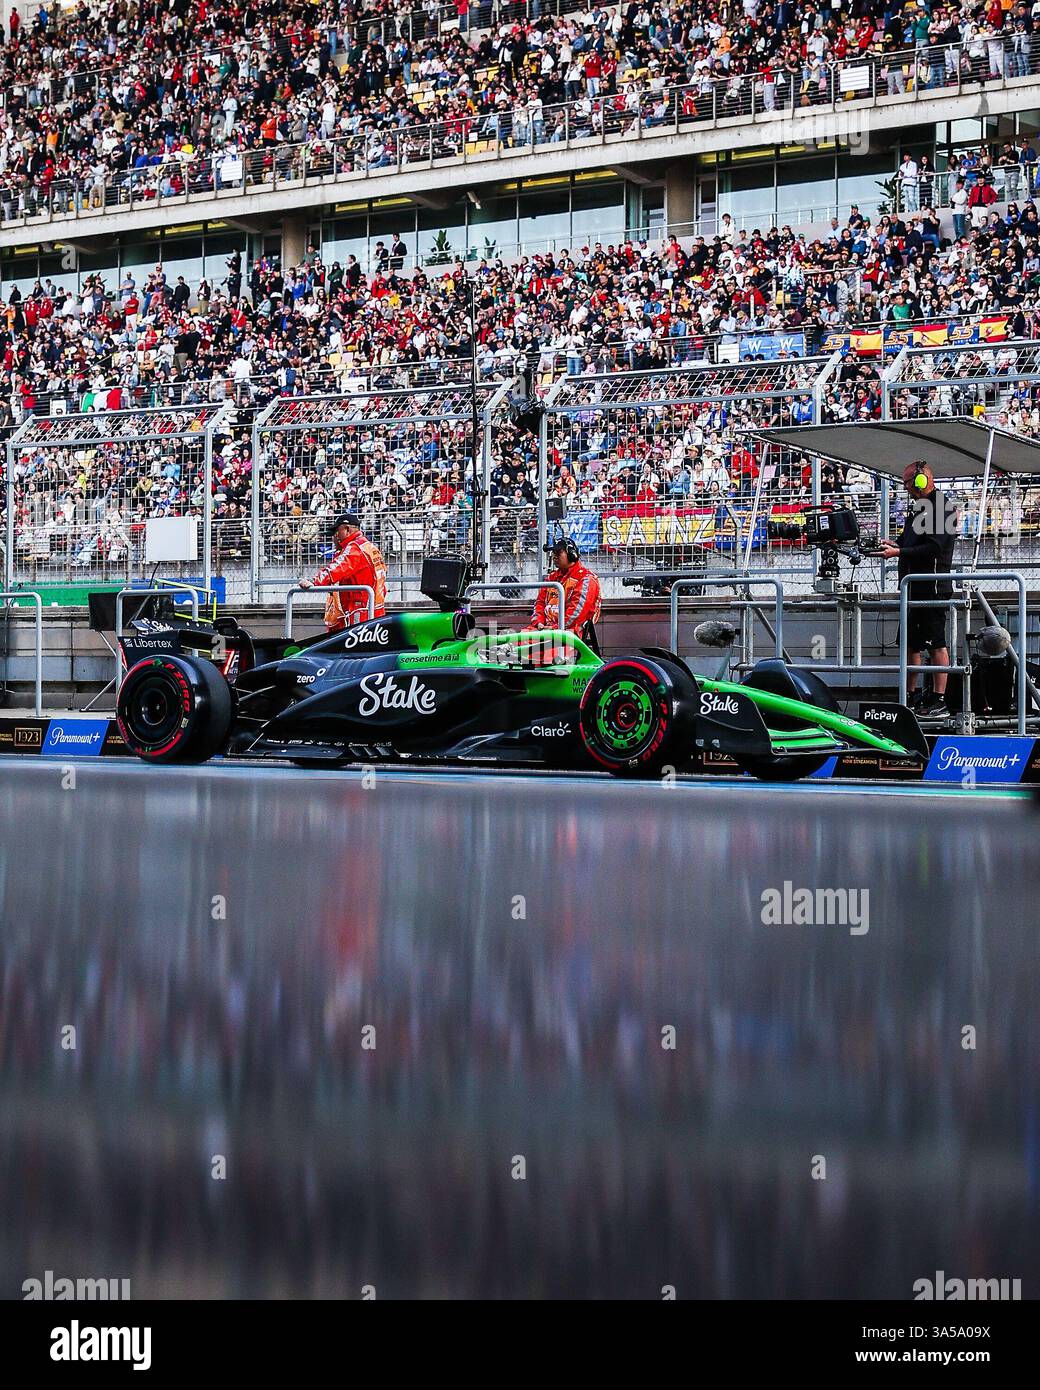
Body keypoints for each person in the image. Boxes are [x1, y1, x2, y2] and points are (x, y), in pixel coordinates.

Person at [881, 463, 958, 716]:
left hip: (932, 588)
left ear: (922, 481)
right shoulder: (919, 508)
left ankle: (939, 699)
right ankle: (910, 696)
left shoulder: (942, 508)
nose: (905, 488)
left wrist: (899, 551)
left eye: (907, 483)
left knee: (936, 643)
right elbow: (908, 541)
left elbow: (934, 547)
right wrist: (892, 545)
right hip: (913, 589)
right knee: (910, 644)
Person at [299, 513, 387, 633]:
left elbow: (336, 568)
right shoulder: (369, 546)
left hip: (359, 610)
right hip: (375, 608)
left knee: (355, 648)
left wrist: (314, 581)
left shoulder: (354, 548)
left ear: (347, 529)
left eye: (337, 531)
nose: (335, 536)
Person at [528, 537, 602, 649]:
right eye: (553, 553)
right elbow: (539, 604)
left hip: (570, 631)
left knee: (530, 648)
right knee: (518, 639)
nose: (554, 556)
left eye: (558, 552)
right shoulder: (552, 578)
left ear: (572, 554)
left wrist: (554, 628)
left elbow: (576, 615)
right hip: (545, 629)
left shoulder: (586, 579)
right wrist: (539, 623)